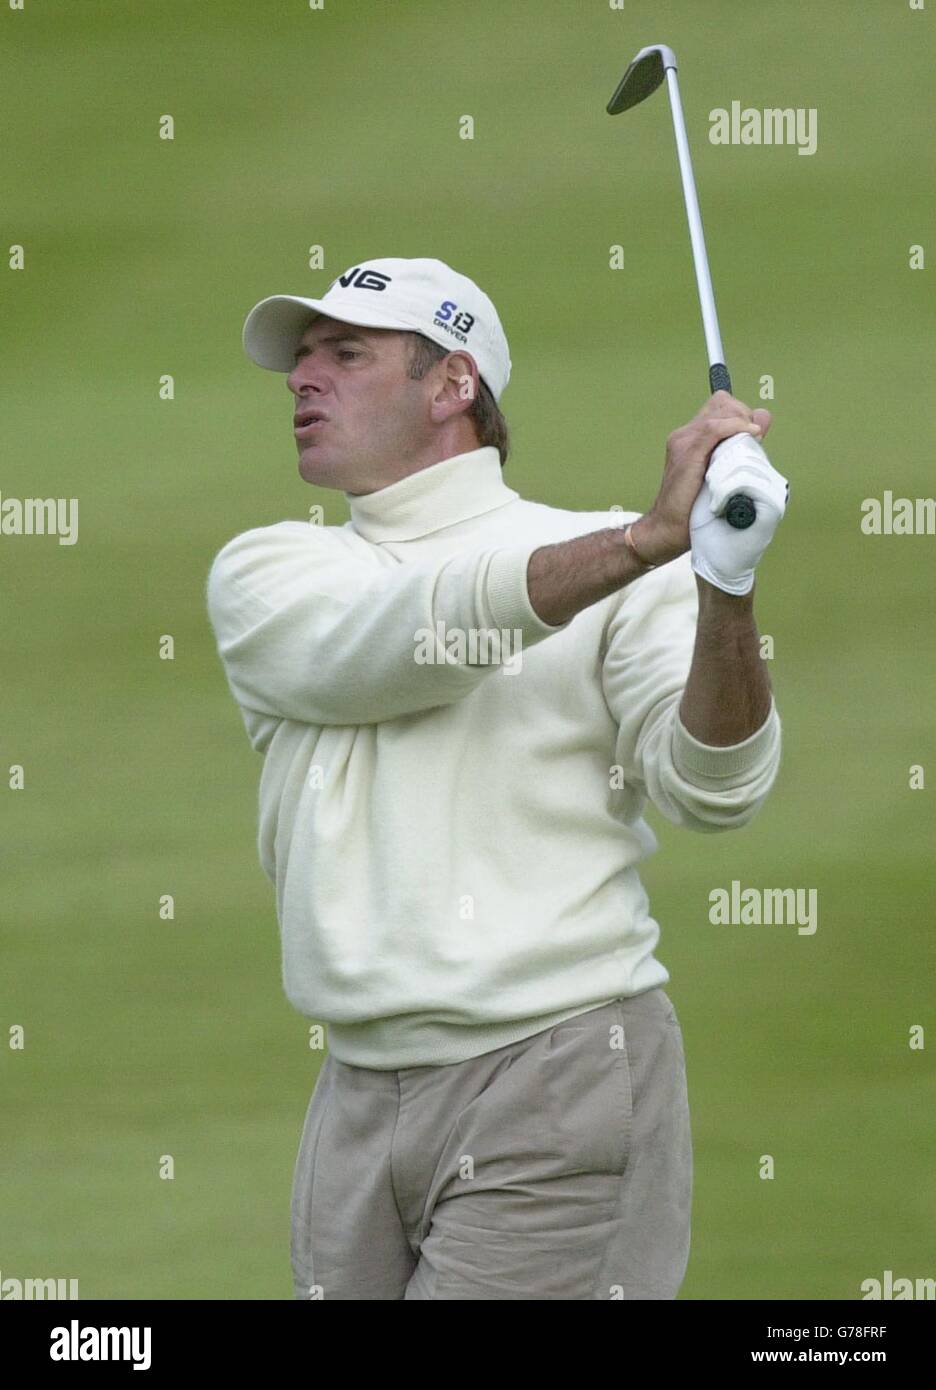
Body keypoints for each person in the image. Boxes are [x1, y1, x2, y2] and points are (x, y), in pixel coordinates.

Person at [206, 256, 788, 1300]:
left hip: (556, 1069)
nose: (304, 380)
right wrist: (644, 540)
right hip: (354, 1094)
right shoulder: (273, 573)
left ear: (453, 384)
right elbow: (412, 637)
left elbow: (716, 784)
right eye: (299, 361)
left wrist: (724, 585)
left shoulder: (616, 568)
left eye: (347, 354)